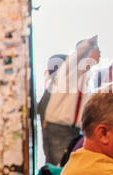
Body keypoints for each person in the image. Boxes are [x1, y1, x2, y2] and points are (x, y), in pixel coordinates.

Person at [42, 36, 101, 168]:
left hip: (74, 129)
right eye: (96, 51)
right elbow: (78, 54)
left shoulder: (88, 77)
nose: (100, 54)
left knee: (69, 165)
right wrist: (90, 43)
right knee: (59, 166)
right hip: (59, 126)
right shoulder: (70, 71)